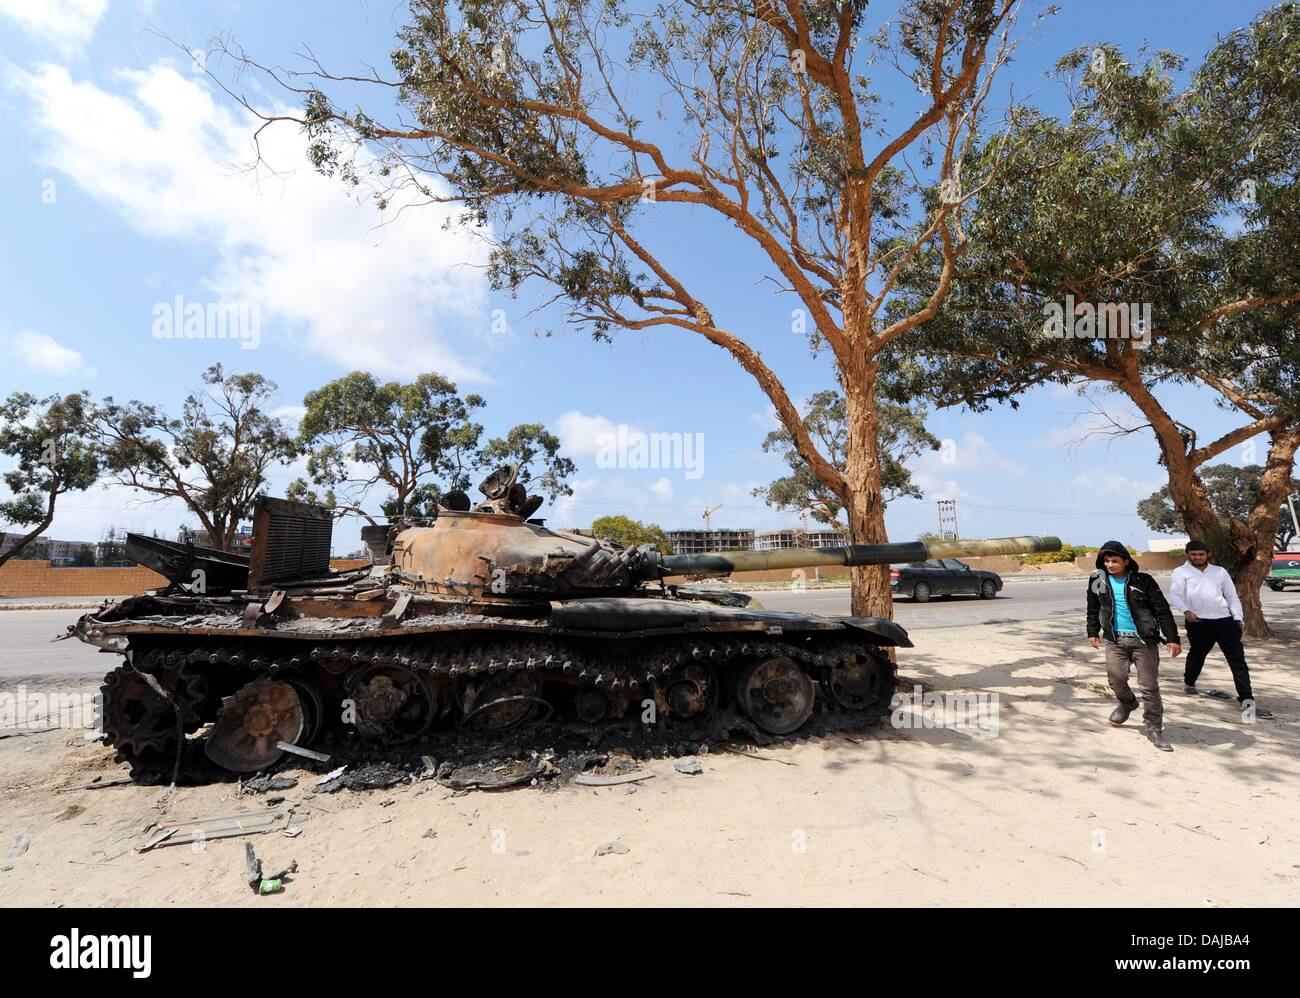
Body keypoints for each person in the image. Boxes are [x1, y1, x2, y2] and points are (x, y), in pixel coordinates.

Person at [1086, 540, 1181, 751]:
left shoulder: (1143, 580)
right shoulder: (1098, 579)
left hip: (1143, 641)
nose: (1110, 565)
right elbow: (1093, 607)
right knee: (1116, 680)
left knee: (1148, 687)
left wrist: (1173, 638)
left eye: (1115, 561)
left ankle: (1154, 727)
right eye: (1106, 561)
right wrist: (1093, 632)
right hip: (1114, 640)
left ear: (1126, 562)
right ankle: (1128, 703)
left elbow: (1162, 610)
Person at [1168, 539, 1271, 719]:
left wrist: (1237, 619)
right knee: (1197, 655)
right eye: (1193, 554)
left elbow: (1232, 596)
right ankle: (1189, 682)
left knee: (1238, 663)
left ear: (1208, 554)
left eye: (1201, 554)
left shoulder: (1219, 572)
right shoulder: (1181, 572)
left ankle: (1247, 702)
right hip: (1198, 622)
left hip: (1225, 622)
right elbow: (1175, 595)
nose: (1197, 557)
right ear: (1188, 555)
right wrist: (1185, 611)